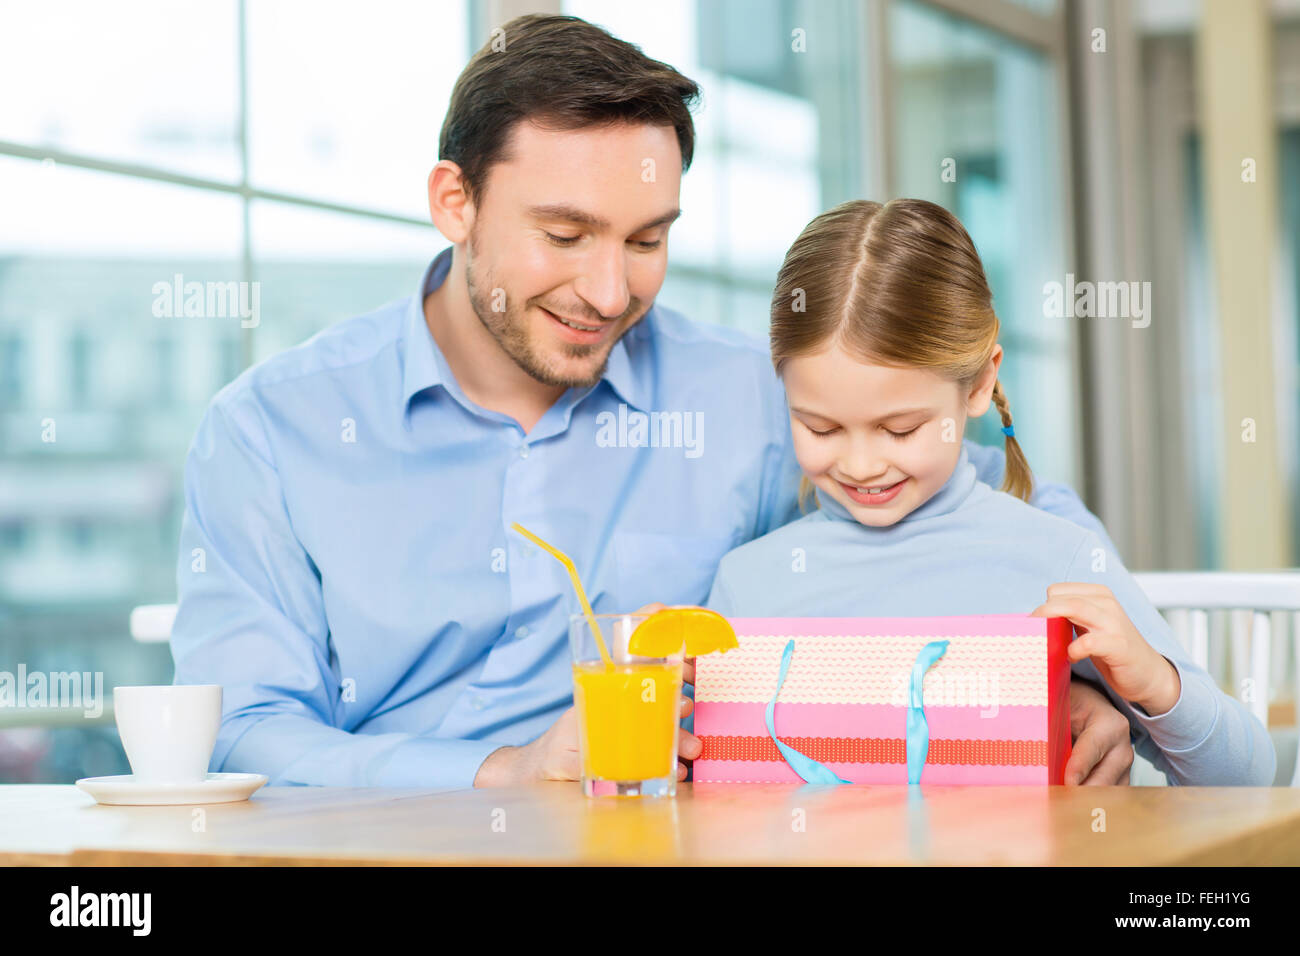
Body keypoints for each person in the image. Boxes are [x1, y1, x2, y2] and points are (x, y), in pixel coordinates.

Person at [170, 14, 1137, 790]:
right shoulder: (268, 433)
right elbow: (242, 734)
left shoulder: (749, 400)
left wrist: (1067, 682)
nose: (607, 292)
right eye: (564, 234)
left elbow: (980, 498)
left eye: (645, 241)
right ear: (454, 202)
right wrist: (499, 774)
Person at [705, 198, 1275, 785]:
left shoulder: (1061, 562)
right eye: (820, 428)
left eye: (900, 429)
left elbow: (1253, 783)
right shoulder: (746, 587)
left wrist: (1157, 684)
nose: (861, 464)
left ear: (980, 385)